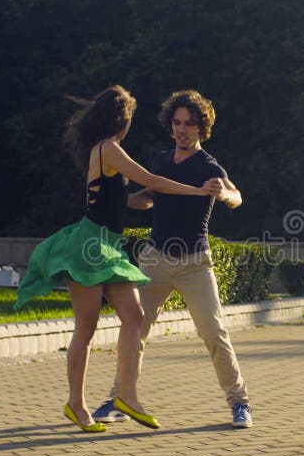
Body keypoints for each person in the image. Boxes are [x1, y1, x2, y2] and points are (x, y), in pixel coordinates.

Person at [14, 85, 211, 432]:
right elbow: (151, 180)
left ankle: (128, 397)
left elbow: (127, 199)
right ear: (123, 119)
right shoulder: (108, 148)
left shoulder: (105, 151)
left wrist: (149, 198)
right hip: (88, 247)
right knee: (86, 329)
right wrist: (196, 191)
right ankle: (76, 404)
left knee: (134, 317)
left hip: (107, 247)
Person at [93, 89, 253, 428]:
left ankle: (239, 403)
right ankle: (119, 399)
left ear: (200, 128)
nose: (182, 130)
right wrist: (114, 199)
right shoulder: (161, 161)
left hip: (195, 262)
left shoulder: (208, 166)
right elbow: (148, 198)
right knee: (134, 329)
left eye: (189, 125)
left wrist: (224, 194)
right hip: (155, 260)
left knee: (213, 332)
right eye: (177, 123)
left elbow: (236, 196)